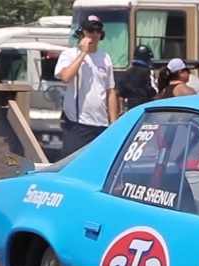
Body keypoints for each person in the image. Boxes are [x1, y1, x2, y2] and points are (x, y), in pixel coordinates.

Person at [55, 15, 118, 159]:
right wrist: (83, 53)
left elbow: (110, 91)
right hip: (78, 124)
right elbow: (65, 77)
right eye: (90, 30)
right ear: (82, 32)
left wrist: (113, 122)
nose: (94, 34)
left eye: (97, 30)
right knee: (72, 163)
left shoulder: (105, 57)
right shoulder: (70, 54)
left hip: (101, 124)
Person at [117, 44, 157, 111]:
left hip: (130, 106)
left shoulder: (127, 72)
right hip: (144, 106)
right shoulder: (148, 72)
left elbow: (121, 92)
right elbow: (153, 90)